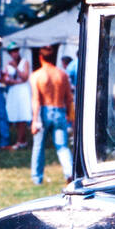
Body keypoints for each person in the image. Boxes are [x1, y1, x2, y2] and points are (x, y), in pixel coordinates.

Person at [30, 43, 73, 185]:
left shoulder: (37, 76)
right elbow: (69, 98)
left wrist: (35, 120)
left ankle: (37, 178)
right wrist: (70, 115)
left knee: (38, 146)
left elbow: (36, 99)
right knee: (62, 146)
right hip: (59, 110)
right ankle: (70, 172)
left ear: (40, 57)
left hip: (43, 111)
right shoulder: (62, 74)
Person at [5, 43, 31, 149]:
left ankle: (20, 141)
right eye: (12, 52)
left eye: (16, 51)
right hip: (13, 91)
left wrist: (16, 68)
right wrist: (11, 81)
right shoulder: (8, 64)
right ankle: (22, 141)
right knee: (15, 116)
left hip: (23, 91)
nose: (14, 54)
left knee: (23, 116)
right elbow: (7, 79)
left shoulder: (25, 62)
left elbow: (25, 77)